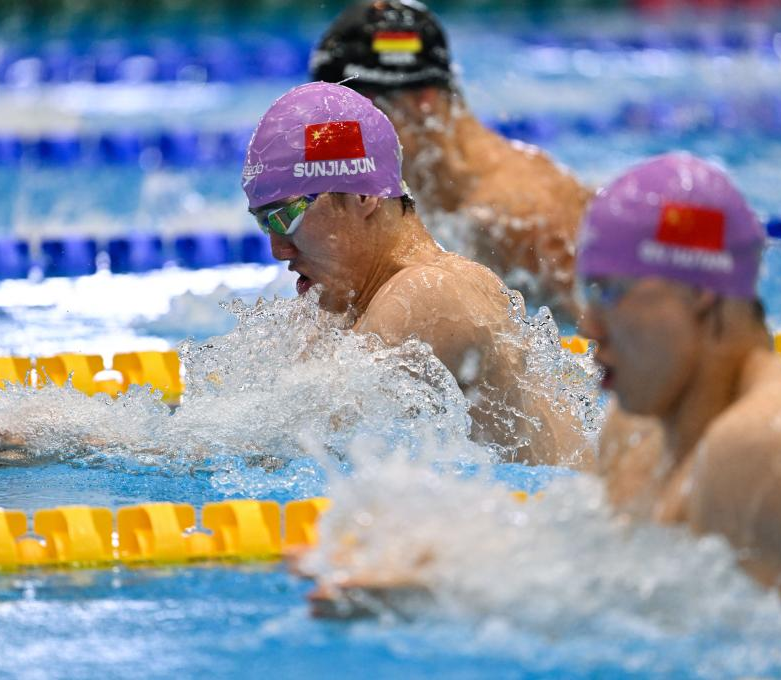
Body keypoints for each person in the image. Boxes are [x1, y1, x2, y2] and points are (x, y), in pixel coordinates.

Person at [577, 152, 781, 649]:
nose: (589, 326)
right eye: (590, 292)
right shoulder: (637, 427)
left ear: (700, 290)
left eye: (612, 292)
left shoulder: (768, 442)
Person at [242, 81, 590, 467]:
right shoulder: (362, 300)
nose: (278, 249)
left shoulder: (428, 293)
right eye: (264, 222)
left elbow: (286, 447)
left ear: (362, 196)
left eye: (287, 216)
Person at [311, 0, 590, 320]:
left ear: (423, 101)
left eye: (359, 117)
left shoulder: (521, 216)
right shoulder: (417, 183)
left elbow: (595, 346)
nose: (346, 139)